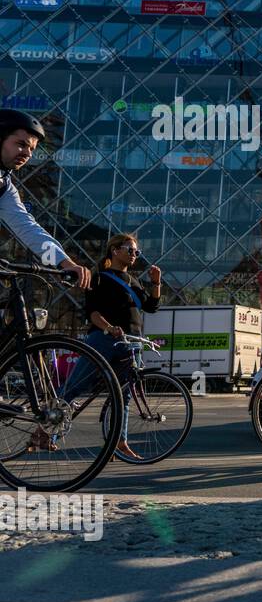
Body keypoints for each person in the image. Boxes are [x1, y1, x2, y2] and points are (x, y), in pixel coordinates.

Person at [59, 233, 161, 458]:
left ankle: (119, 442)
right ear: (115, 251)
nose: (135, 255)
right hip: (104, 339)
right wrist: (109, 327)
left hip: (131, 342)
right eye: (130, 250)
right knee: (75, 386)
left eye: (137, 252)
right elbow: (93, 312)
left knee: (123, 396)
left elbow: (151, 306)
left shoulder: (133, 281)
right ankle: (45, 433)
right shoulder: (100, 278)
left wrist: (156, 283)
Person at [0, 110, 91, 288]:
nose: (28, 154)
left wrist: (64, 262)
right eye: (21, 144)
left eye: (32, 149)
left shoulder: (5, 187)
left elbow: (28, 229)